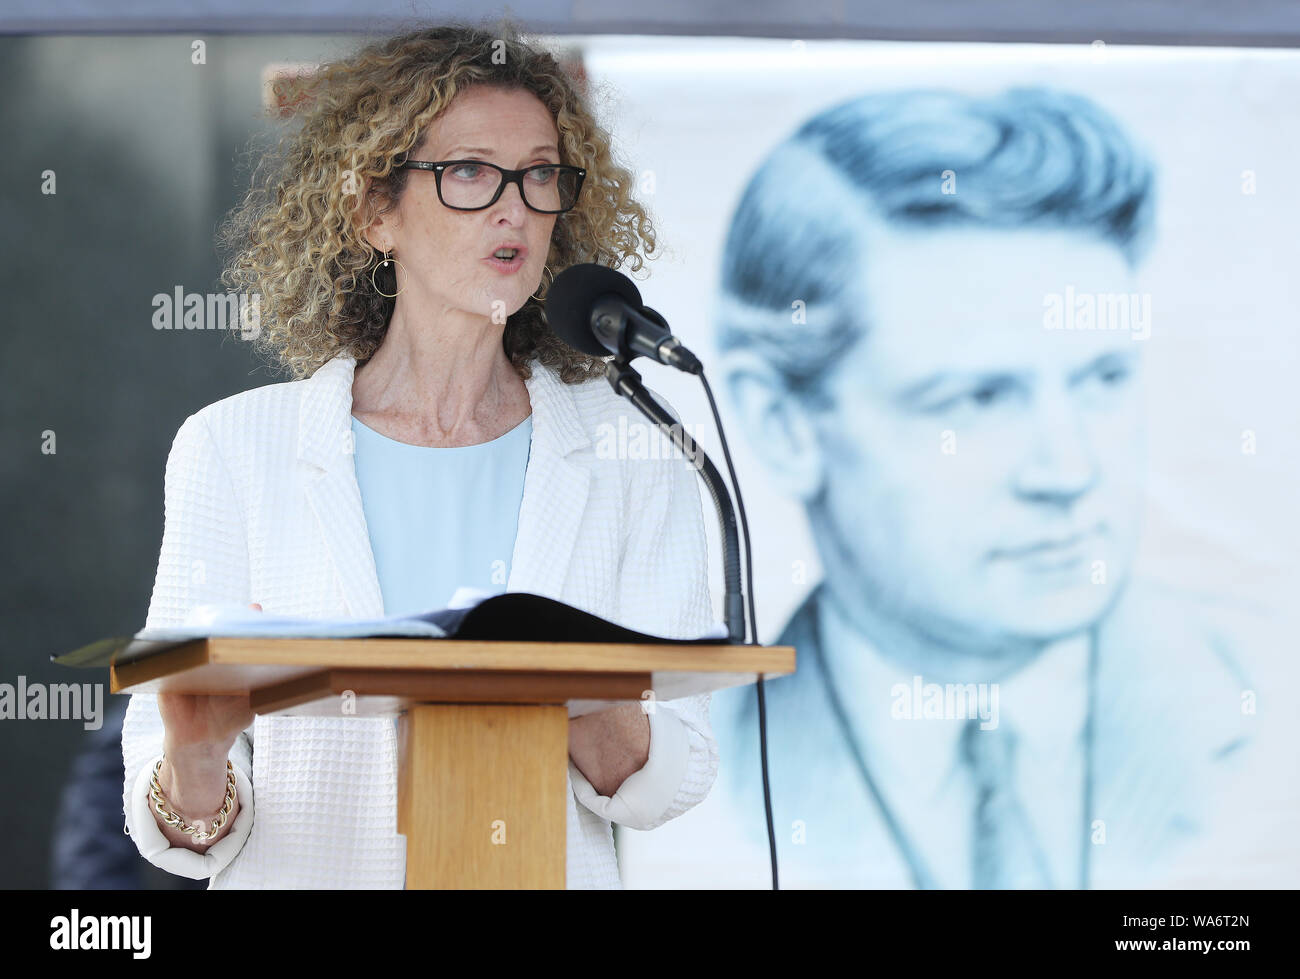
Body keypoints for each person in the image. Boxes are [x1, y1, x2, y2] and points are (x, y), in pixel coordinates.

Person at [619, 87, 1281, 888]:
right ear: (784, 420)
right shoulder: (687, 747)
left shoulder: (1274, 695)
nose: (1069, 472)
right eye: (979, 398)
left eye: (1101, 379)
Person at [121, 23, 717, 889]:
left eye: (541, 173)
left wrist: (583, 696)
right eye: (471, 171)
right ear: (374, 211)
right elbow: (181, 819)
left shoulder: (634, 453)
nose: (515, 205)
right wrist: (199, 755)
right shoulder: (234, 446)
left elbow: (677, 773)